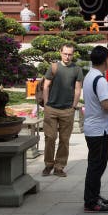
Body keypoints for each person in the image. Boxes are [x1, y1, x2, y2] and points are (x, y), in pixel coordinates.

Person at [83, 46, 108, 213]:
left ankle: (94, 195)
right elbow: (105, 104)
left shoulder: (89, 76)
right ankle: (90, 201)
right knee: (96, 166)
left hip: (93, 127)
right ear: (106, 60)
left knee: (96, 165)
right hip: (99, 129)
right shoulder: (101, 80)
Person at [41, 43, 84, 177]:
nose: (67, 56)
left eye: (70, 54)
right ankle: (48, 164)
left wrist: (74, 105)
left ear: (73, 54)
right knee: (50, 137)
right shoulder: (54, 67)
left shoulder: (77, 69)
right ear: (60, 52)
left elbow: (78, 89)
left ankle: (59, 166)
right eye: (65, 53)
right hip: (51, 109)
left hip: (67, 109)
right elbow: (46, 86)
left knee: (65, 140)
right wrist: (47, 104)